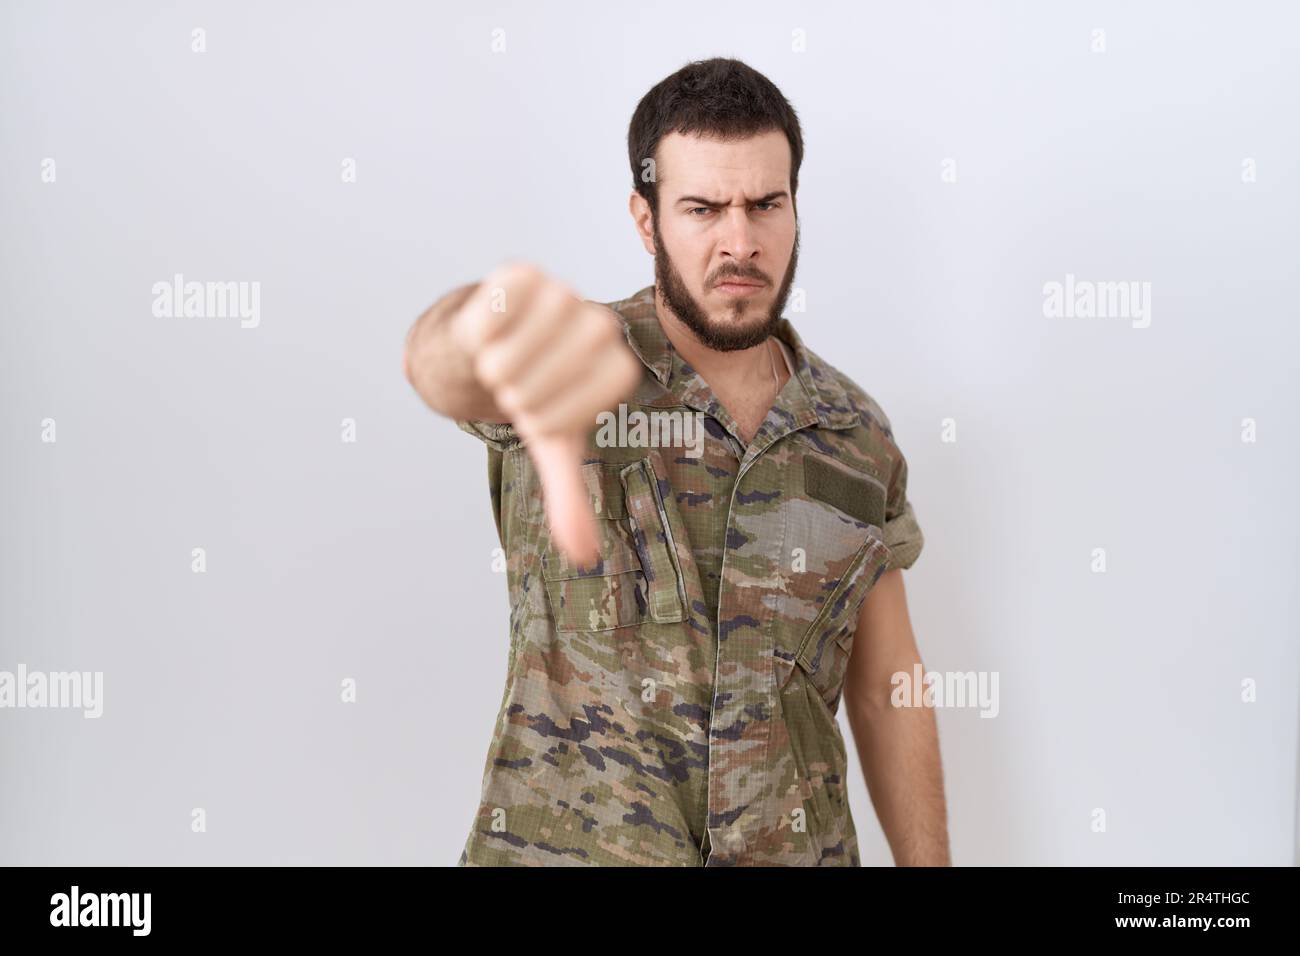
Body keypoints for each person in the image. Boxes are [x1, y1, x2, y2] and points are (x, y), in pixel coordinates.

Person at [403, 57, 950, 866]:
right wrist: (483, 326)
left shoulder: (854, 432)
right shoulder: (573, 365)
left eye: (767, 204)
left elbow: (887, 687)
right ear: (646, 218)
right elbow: (441, 368)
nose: (741, 241)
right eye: (703, 208)